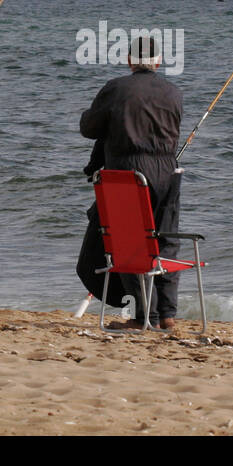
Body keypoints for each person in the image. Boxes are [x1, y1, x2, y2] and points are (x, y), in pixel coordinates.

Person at [75, 35, 183, 330]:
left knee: (129, 242)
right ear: (158, 62)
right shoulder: (173, 91)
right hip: (169, 173)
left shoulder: (116, 88)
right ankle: (167, 314)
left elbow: (89, 128)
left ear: (130, 60)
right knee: (165, 240)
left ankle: (142, 316)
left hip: (127, 175)